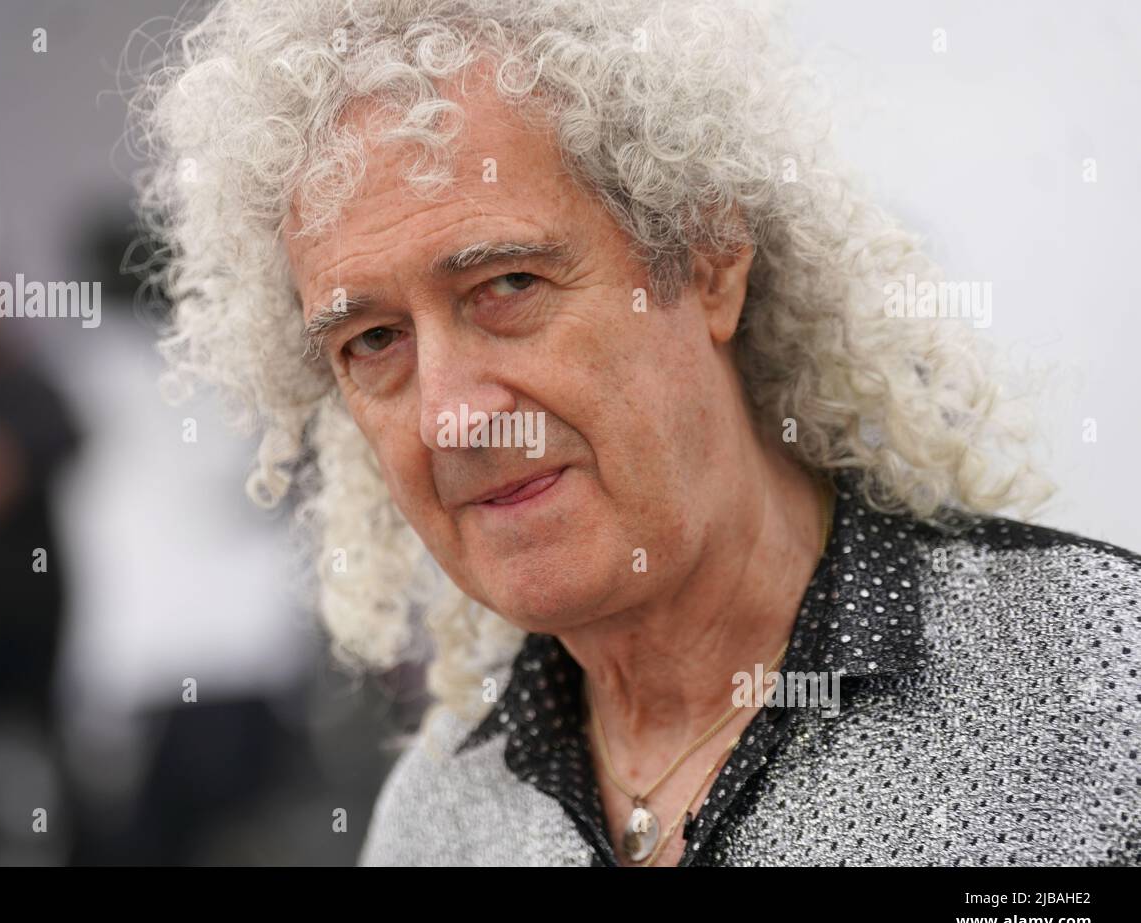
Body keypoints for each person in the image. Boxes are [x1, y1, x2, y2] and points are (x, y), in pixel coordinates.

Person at [130, 0, 1140, 865]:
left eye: (507, 285)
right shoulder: (438, 821)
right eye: (374, 340)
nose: (449, 415)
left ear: (708, 261)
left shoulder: (1100, 678)